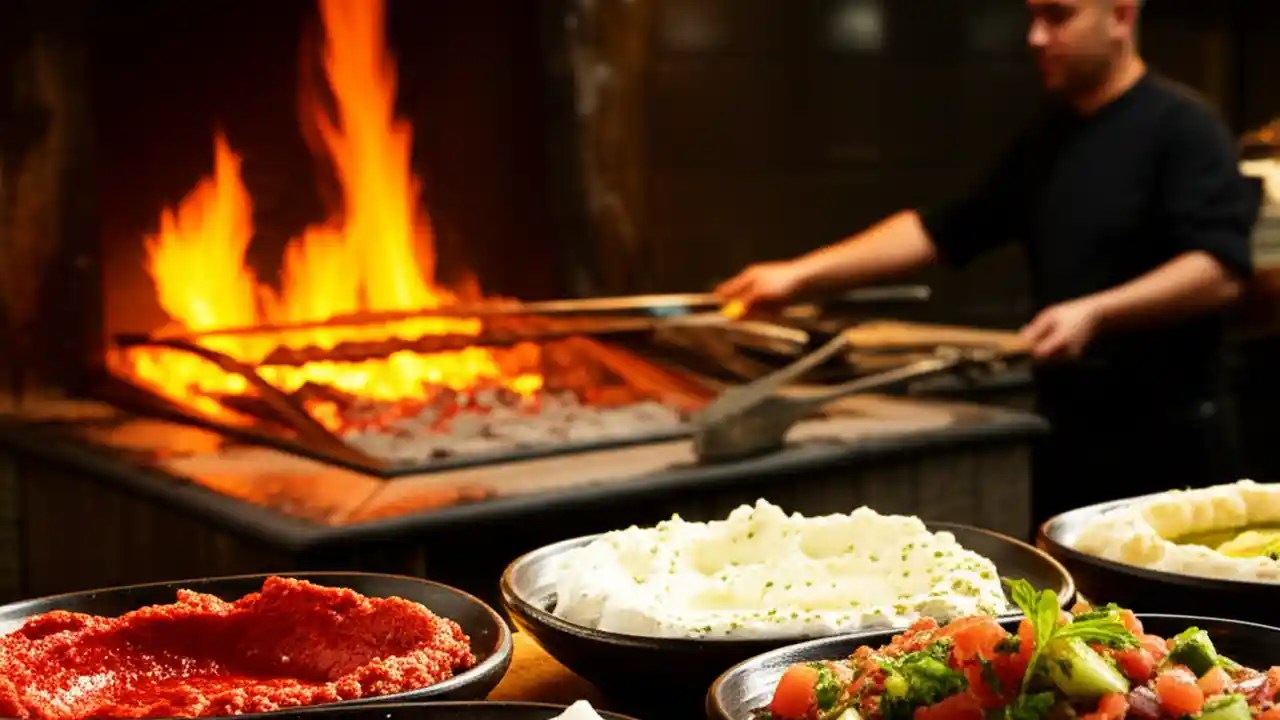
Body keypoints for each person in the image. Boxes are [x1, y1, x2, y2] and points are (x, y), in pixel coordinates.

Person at [714, 0, 1261, 531]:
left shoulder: (1186, 128)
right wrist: (798, 274)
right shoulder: (1051, 136)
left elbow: (1218, 272)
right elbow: (945, 228)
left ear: (1120, 16)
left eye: (1058, 16)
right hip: (1070, 435)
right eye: (1033, 18)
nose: (1036, 38)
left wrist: (1093, 313)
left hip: (1172, 447)